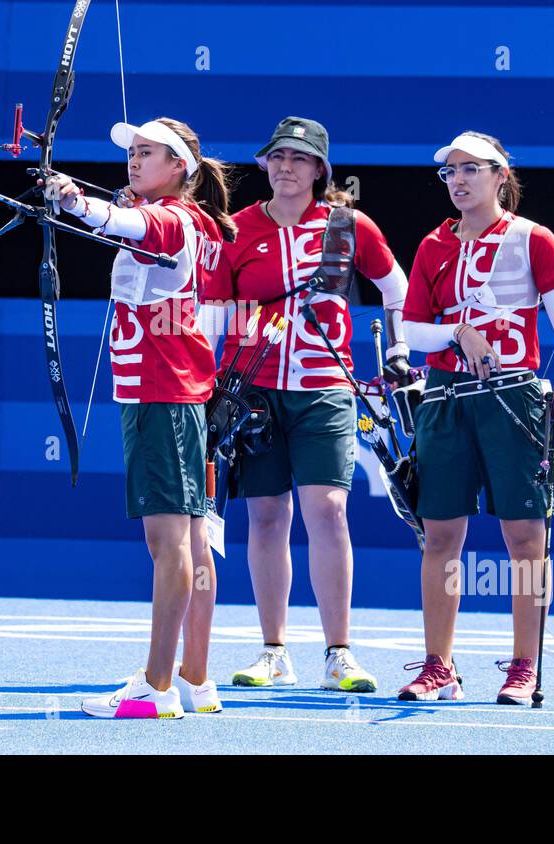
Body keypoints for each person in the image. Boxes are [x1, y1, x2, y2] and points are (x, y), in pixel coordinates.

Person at [203, 116, 411, 693]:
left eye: (299, 158)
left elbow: (398, 293)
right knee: (267, 516)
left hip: (325, 389)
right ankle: (274, 651)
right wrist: (205, 387)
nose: (286, 166)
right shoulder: (237, 229)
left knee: (329, 511)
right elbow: (214, 317)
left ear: (320, 169)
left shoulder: (348, 226)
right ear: (265, 164)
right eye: (277, 157)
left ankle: (339, 653)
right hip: (253, 391)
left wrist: (396, 353)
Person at [47, 117, 236, 719]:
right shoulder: (191, 218)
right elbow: (134, 221)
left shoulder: (172, 219)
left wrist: (76, 201)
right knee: (190, 538)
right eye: (132, 152)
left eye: (147, 152)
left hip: (162, 394)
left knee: (169, 540)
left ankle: (157, 688)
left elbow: (126, 222)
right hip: (173, 393)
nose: (134, 159)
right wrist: (105, 204)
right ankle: (196, 681)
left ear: (178, 165)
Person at [398, 130, 554, 704]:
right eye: (450, 172)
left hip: (515, 398)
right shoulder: (432, 246)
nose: (457, 180)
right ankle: (439, 668)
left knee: (526, 535)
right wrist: (458, 332)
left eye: (470, 169)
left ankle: (523, 668)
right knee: (440, 535)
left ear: (501, 175)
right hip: (447, 399)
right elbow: (412, 331)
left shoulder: (535, 240)